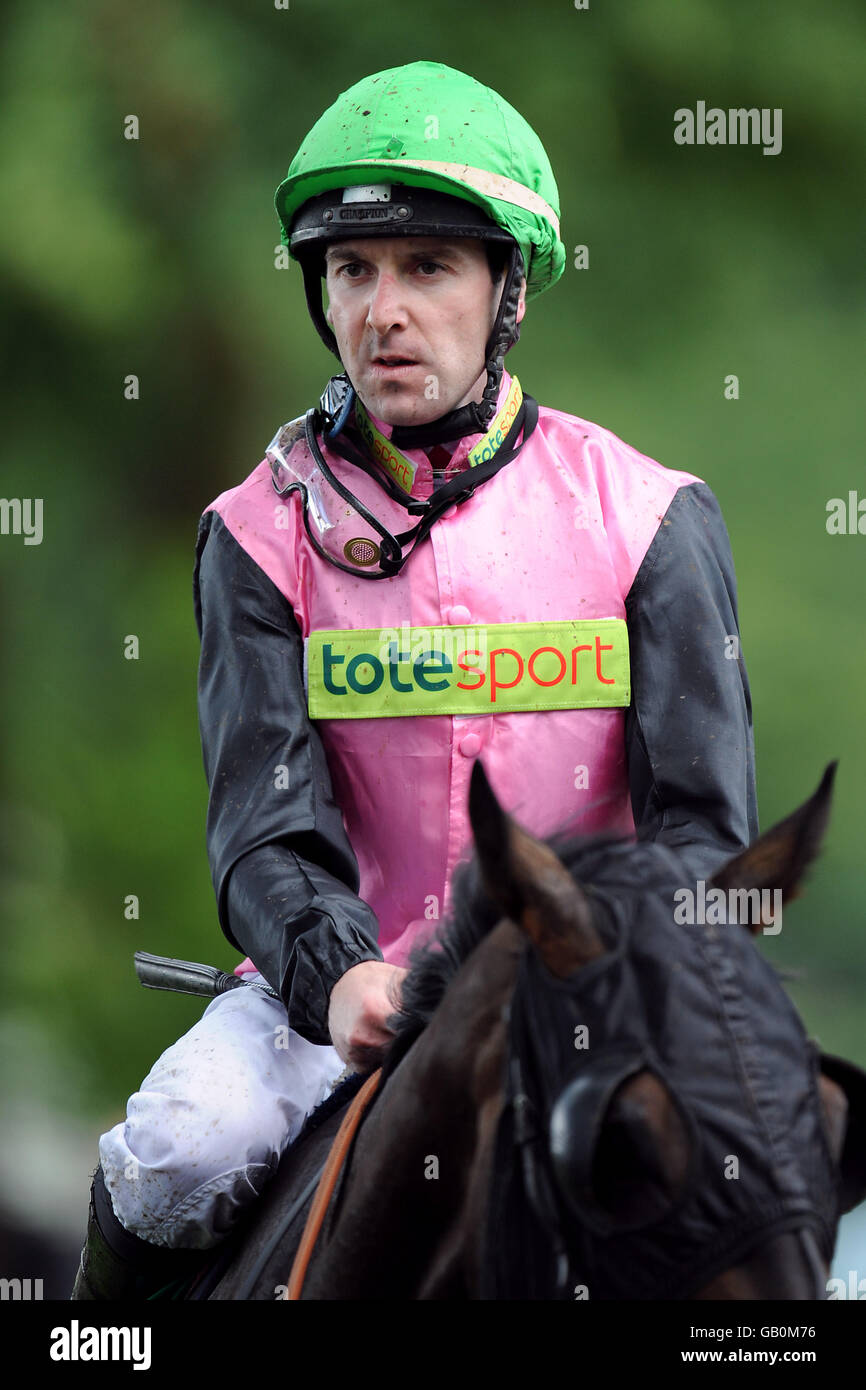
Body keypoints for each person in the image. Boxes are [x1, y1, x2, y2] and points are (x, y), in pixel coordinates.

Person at [71, 59, 758, 1299]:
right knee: (177, 1150)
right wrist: (337, 975)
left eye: (427, 268)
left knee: (757, 1178)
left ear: (506, 292)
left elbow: (703, 833)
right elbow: (262, 827)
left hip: (590, 991)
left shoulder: (654, 521)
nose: (383, 310)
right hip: (330, 1000)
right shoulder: (253, 533)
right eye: (351, 271)